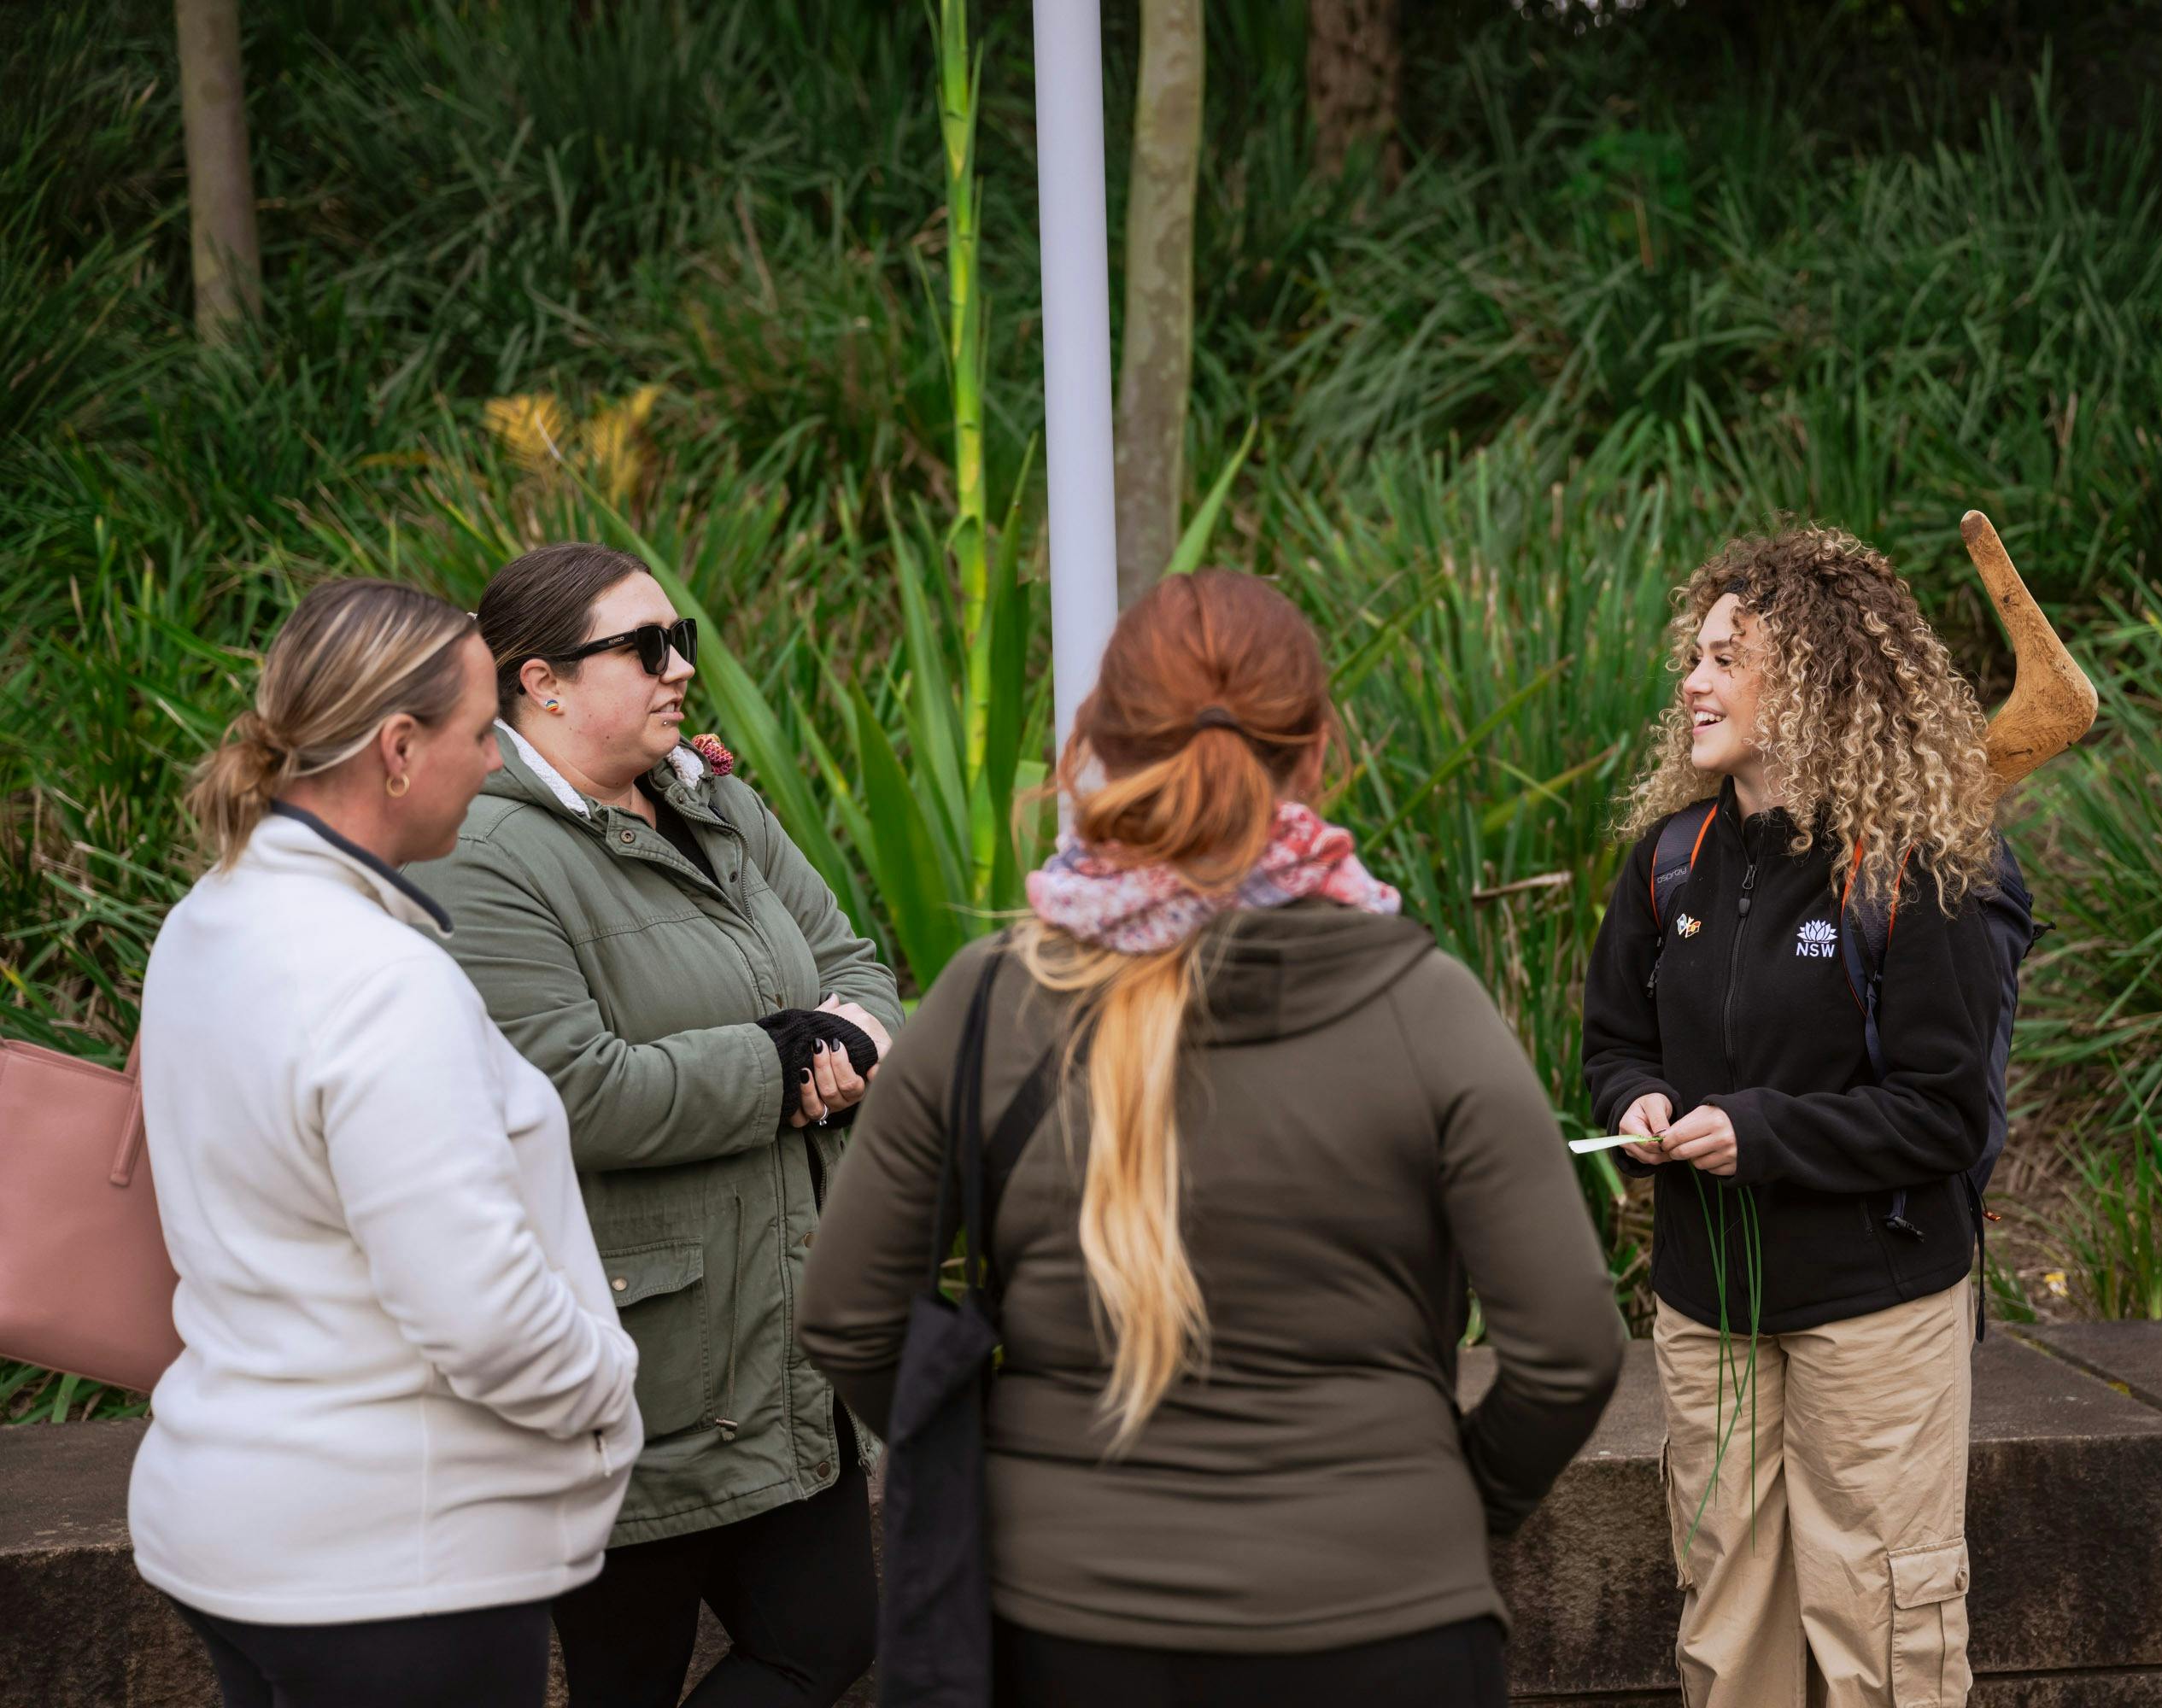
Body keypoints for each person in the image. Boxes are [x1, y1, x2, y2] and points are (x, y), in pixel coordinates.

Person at [796, 570, 1626, 1708]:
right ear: (1317, 751)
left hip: (1065, 1625)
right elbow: (1572, 1350)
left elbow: (845, 1313)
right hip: (1388, 1623)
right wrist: (1443, 1504)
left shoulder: (990, 1002)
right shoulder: (1426, 1008)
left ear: (1097, 741)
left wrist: (1013, 1472)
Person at [407, 542, 904, 1708]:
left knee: (829, 1640)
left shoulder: (712, 799)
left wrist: (852, 1039)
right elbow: (569, 1090)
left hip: (782, 1335)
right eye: (647, 647)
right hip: (636, 1359)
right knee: (627, 1679)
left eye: (681, 639)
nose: (681, 667)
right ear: (544, 682)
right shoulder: (484, 850)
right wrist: (787, 1061)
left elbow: (857, 967)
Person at [132, 581, 642, 1708]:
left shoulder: (208, 918)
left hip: (230, 1526)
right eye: (483, 734)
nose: (498, 764)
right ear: (400, 750)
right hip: (390, 1571)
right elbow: (480, 1314)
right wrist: (608, 1380)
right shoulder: (382, 983)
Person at [1582, 527, 2007, 1708]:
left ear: (1815, 682)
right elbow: (1614, 1043)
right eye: (1696, 656)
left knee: (1884, 1639)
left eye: (1729, 659)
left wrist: (1761, 1134)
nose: (1694, 681)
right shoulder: (1670, 863)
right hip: (1707, 1307)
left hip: (1873, 1317)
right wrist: (1637, 1100)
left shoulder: (1908, 873)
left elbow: (1944, 1115)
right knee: (1726, 1635)